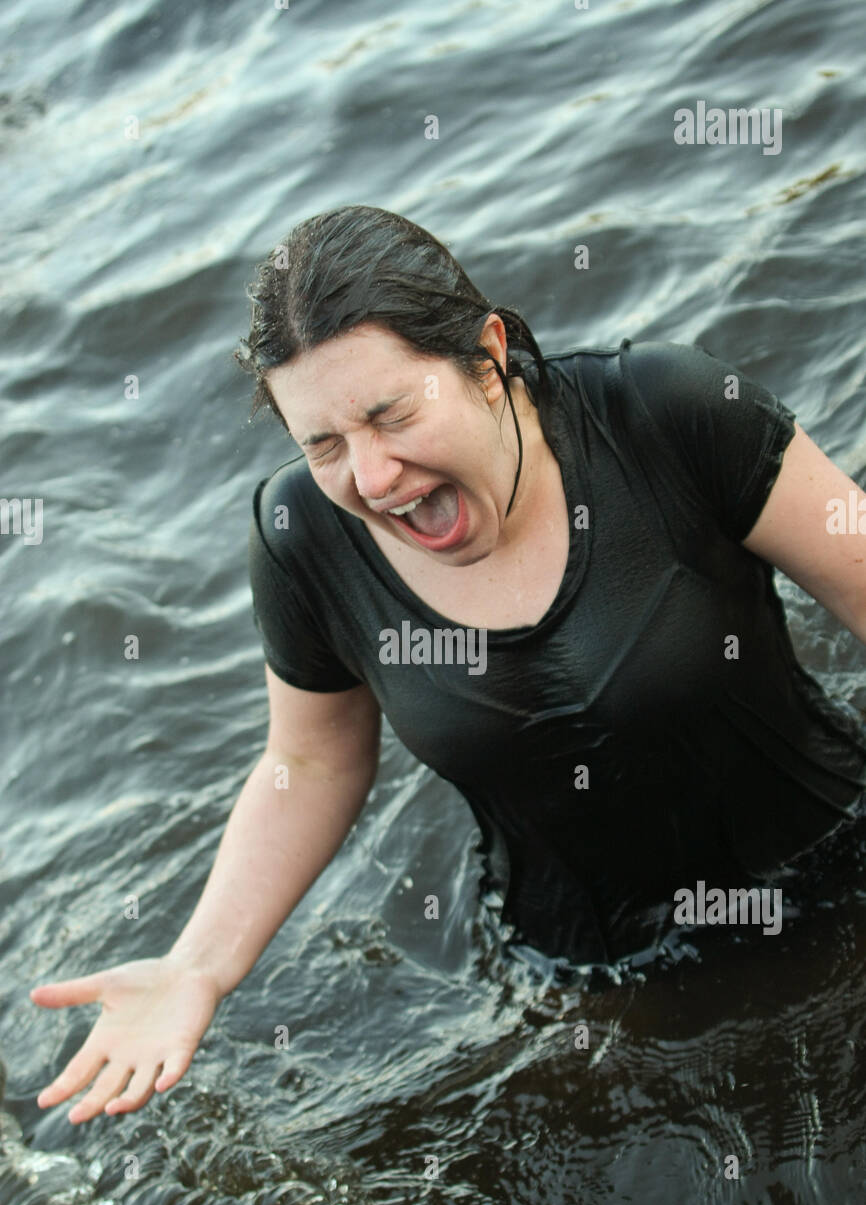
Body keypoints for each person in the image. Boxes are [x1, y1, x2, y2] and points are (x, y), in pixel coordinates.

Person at [31, 205, 866, 1125]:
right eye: (324, 445)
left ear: (488, 357)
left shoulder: (668, 415)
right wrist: (198, 966)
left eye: (391, 415)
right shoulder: (302, 537)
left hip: (830, 877)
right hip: (585, 981)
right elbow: (310, 763)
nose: (373, 476)